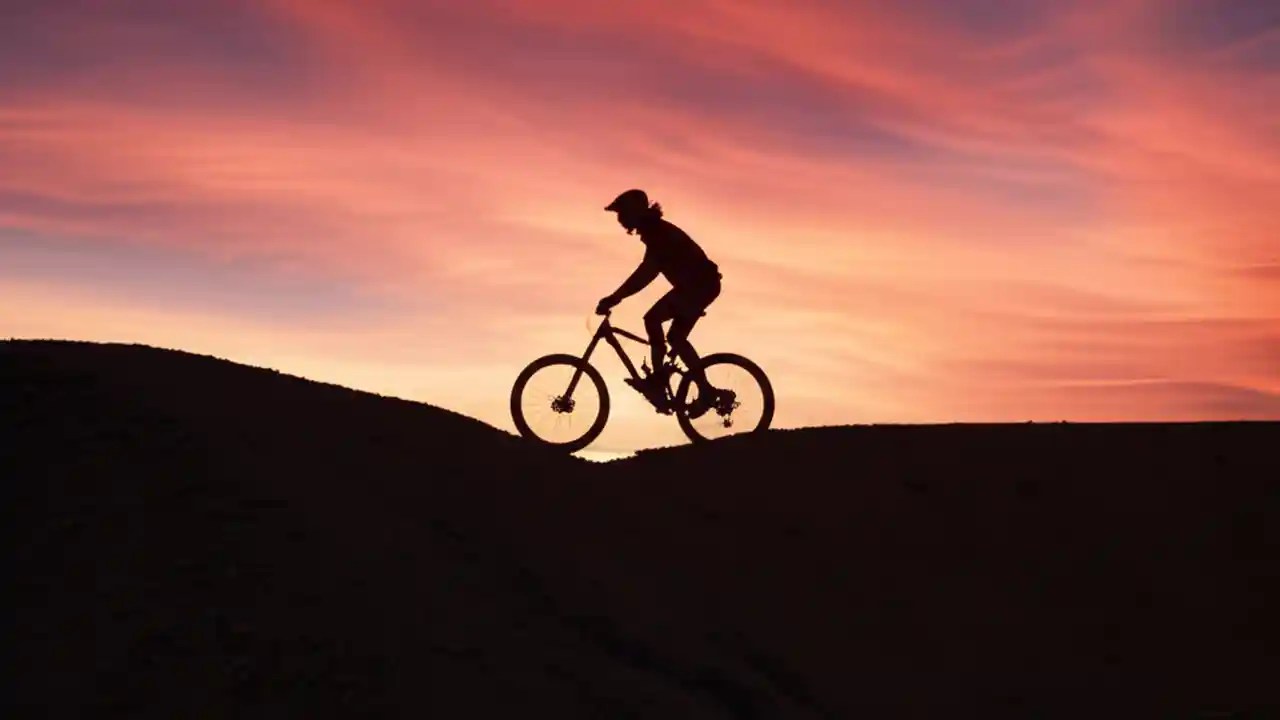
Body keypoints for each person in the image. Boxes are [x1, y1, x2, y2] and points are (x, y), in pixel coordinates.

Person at [595, 188, 722, 417]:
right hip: (698, 286)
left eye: (621, 213)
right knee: (674, 337)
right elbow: (648, 271)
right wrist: (618, 296)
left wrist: (616, 297)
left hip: (699, 286)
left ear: (633, 212)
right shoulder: (654, 231)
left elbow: (647, 273)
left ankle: (659, 382)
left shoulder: (658, 233)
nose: (619, 219)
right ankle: (702, 391)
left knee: (652, 319)